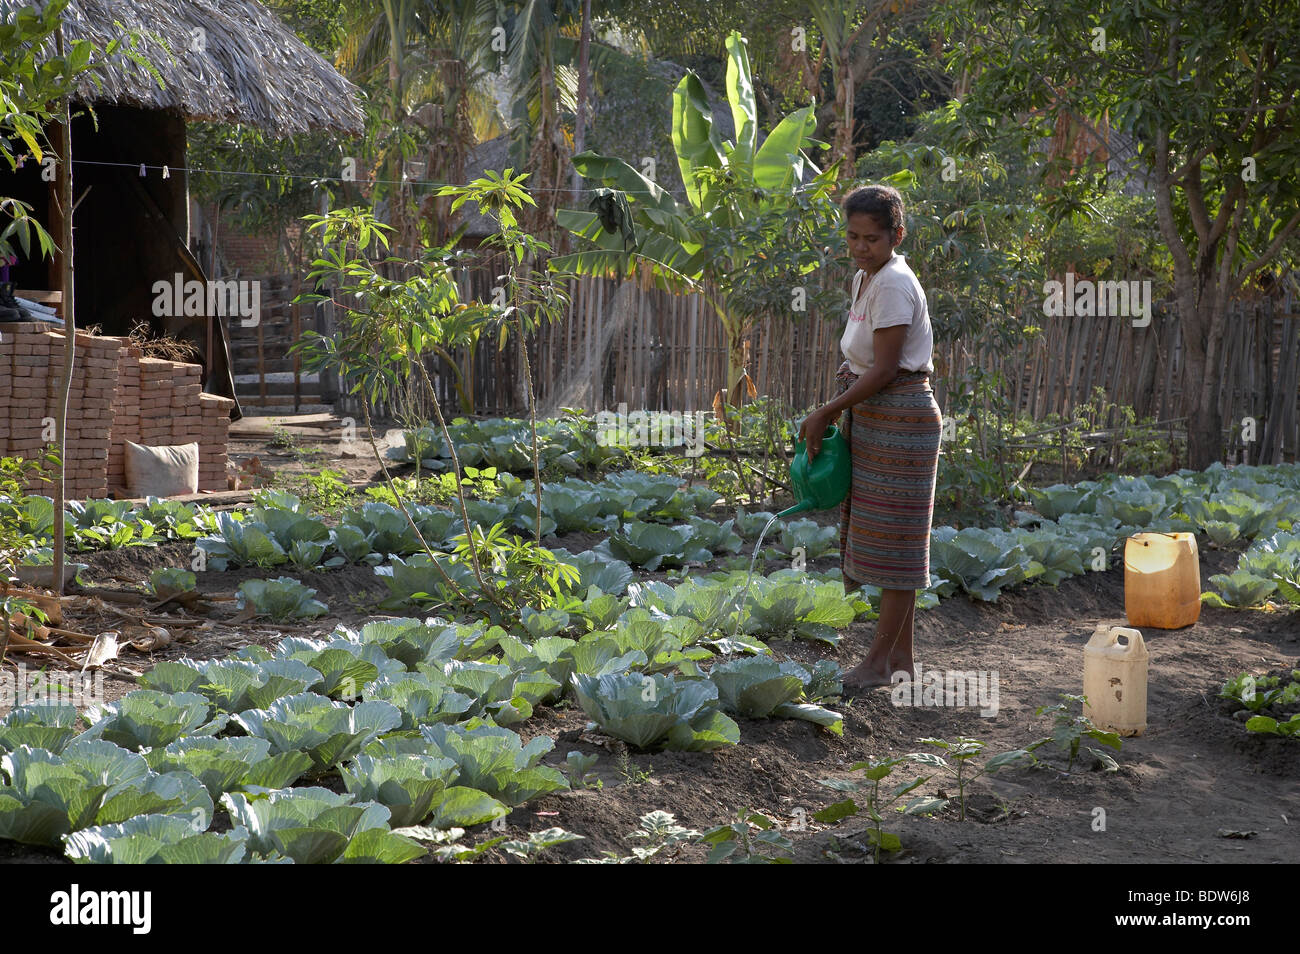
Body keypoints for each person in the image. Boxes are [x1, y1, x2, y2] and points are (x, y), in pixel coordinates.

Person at [797, 184, 941, 692]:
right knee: (884, 539)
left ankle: (880, 664)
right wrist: (839, 408)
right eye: (854, 236)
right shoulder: (866, 278)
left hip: (901, 420)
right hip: (877, 417)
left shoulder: (895, 283)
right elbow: (864, 363)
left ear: (897, 235)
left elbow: (883, 370)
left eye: (873, 239)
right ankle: (899, 662)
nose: (861, 247)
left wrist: (827, 411)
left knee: (896, 545)